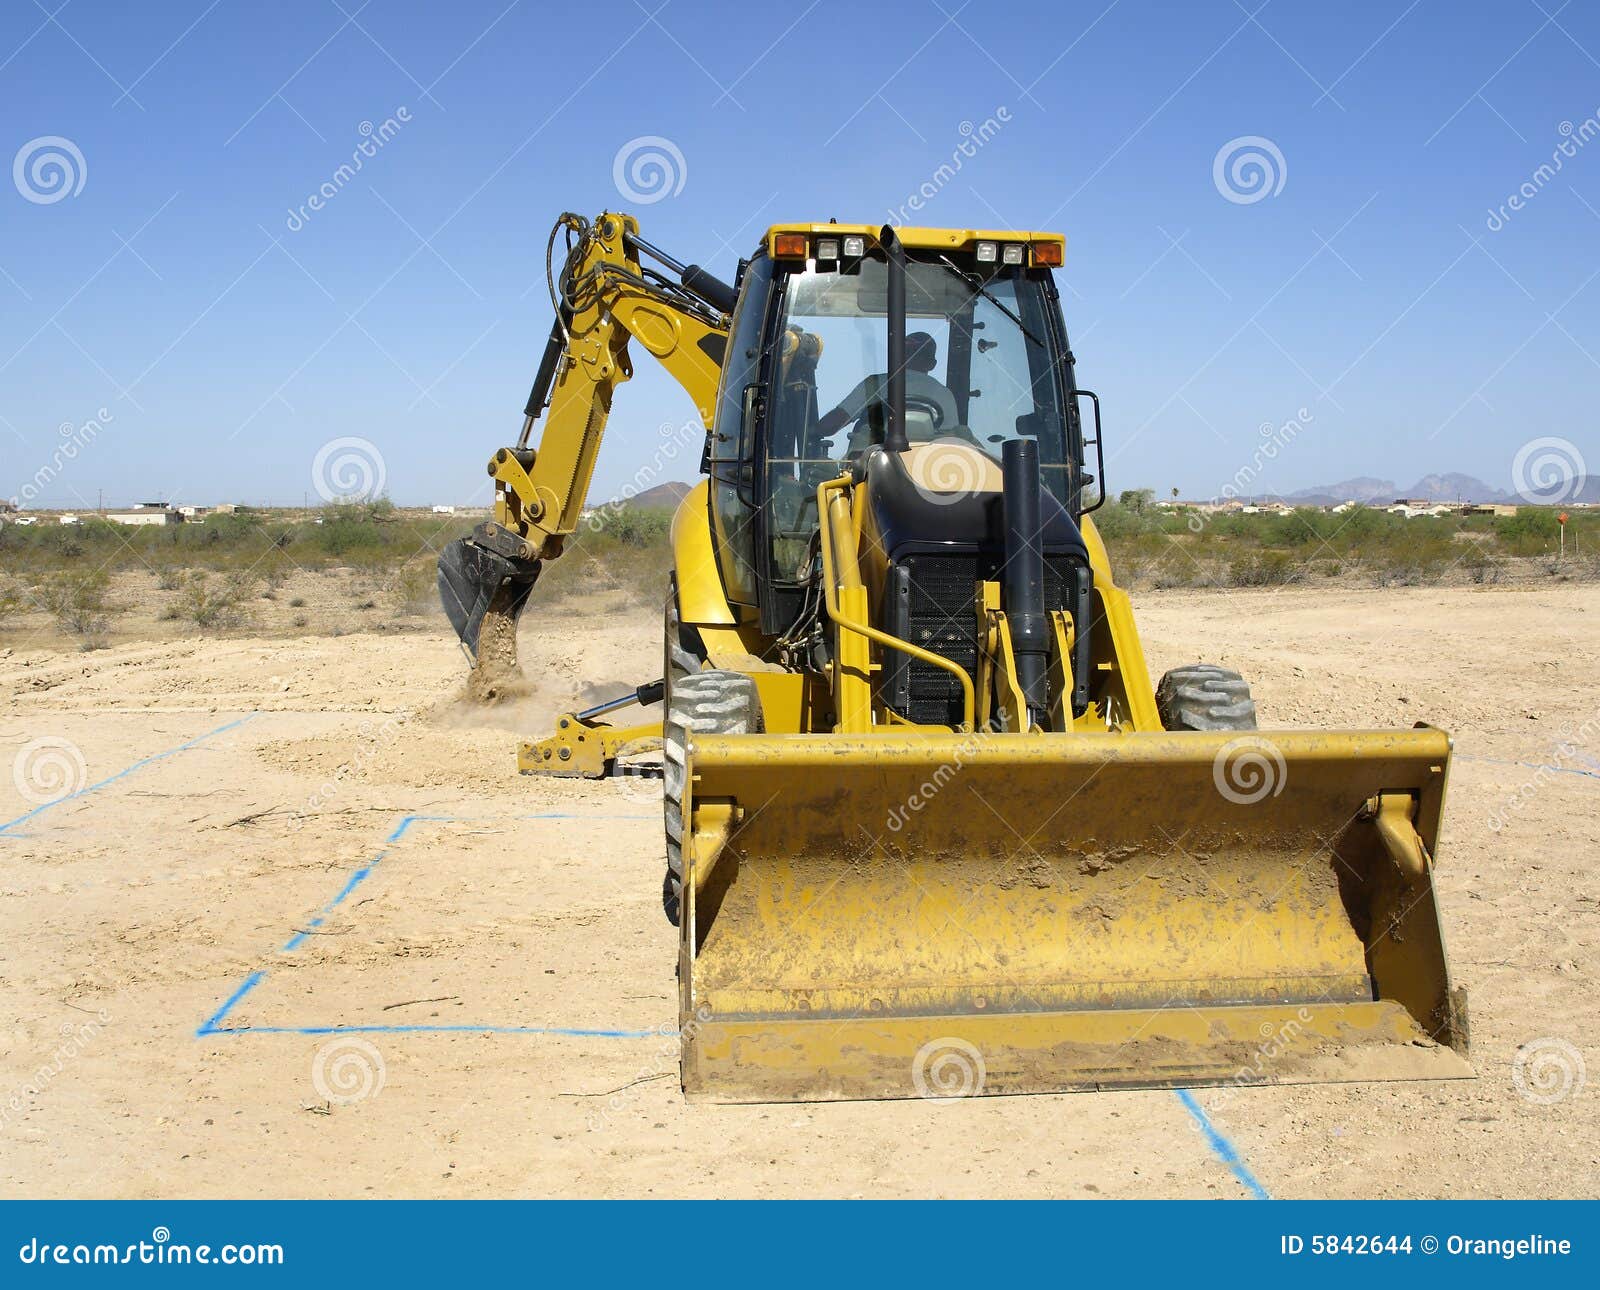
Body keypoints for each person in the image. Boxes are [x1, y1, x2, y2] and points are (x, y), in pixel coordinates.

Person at [815, 331, 959, 452]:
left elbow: (831, 425)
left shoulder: (875, 384)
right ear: (932, 364)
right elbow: (952, 439)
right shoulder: (945, 394)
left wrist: (811, 430)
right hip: (927, 471)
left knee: (864, 431)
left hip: (873, 473)